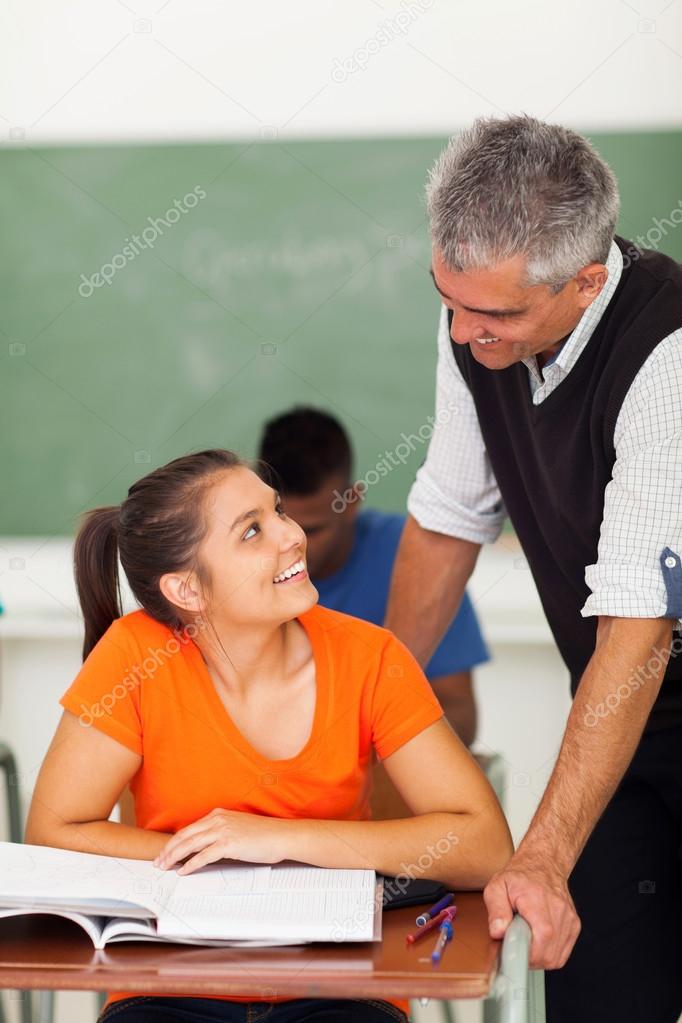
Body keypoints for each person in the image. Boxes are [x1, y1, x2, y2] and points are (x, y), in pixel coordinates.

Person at [26, 449, 512, 1023]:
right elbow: (52, 835)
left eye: (277, 510)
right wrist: (216, 855)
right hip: (166, 985)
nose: (291, 534)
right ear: (188, 592)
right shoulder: (135, 656)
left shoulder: (371, 658)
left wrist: (276, 840)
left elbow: (485, 848)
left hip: (341, 988)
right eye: (252, 531)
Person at [385, 115, 682, 1023]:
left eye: (499, 314)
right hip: (624, 728)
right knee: (593, 984)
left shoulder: (666, 355)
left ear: (586, 281)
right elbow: (447, 517)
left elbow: (636, 629)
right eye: (452, 300)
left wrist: (542, 853)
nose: (470, 334)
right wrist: (357, 712)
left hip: (636, 670)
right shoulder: (479, 326)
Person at [258, 406, 489, 747]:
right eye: (278, 523)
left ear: (351, 502)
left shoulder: (417, 556)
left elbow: (457, 712)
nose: (294, 544)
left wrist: (353, 756)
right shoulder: (227, 566)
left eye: (313, 529)